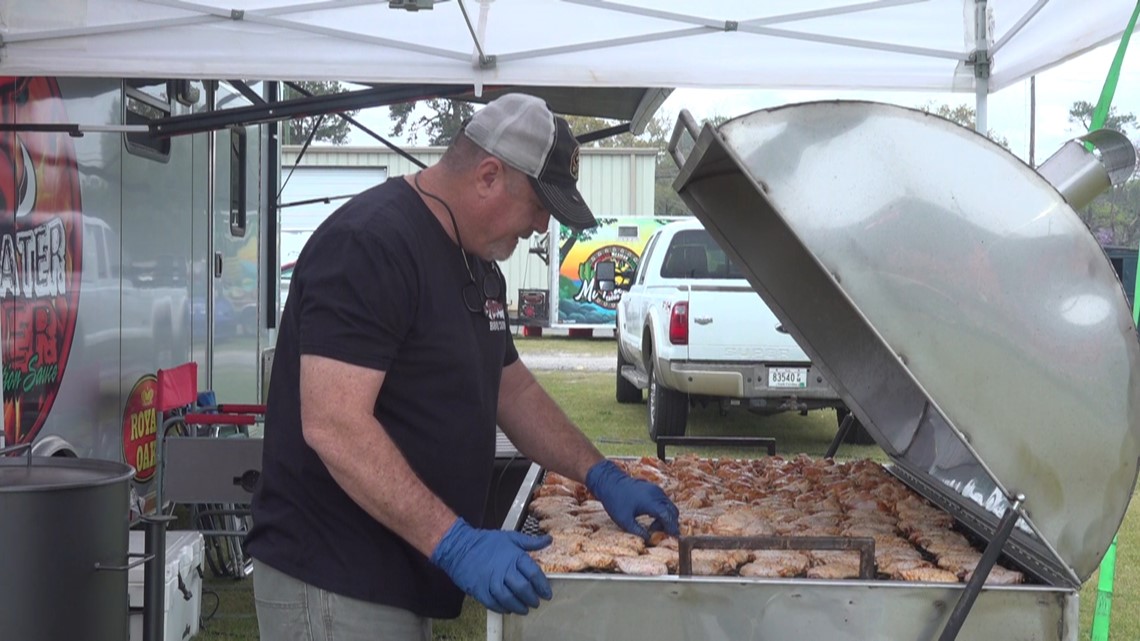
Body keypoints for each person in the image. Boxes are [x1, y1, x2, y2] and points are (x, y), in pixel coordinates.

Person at [245, 93, 681, 640]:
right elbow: (334, 424)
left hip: (402, 568)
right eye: (539, 204)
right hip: (336, 578)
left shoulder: (476, 262)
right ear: (488, 175)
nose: (542, 225)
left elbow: (513, 392)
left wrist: (599, 473)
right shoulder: (371, 245)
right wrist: (454, 541)